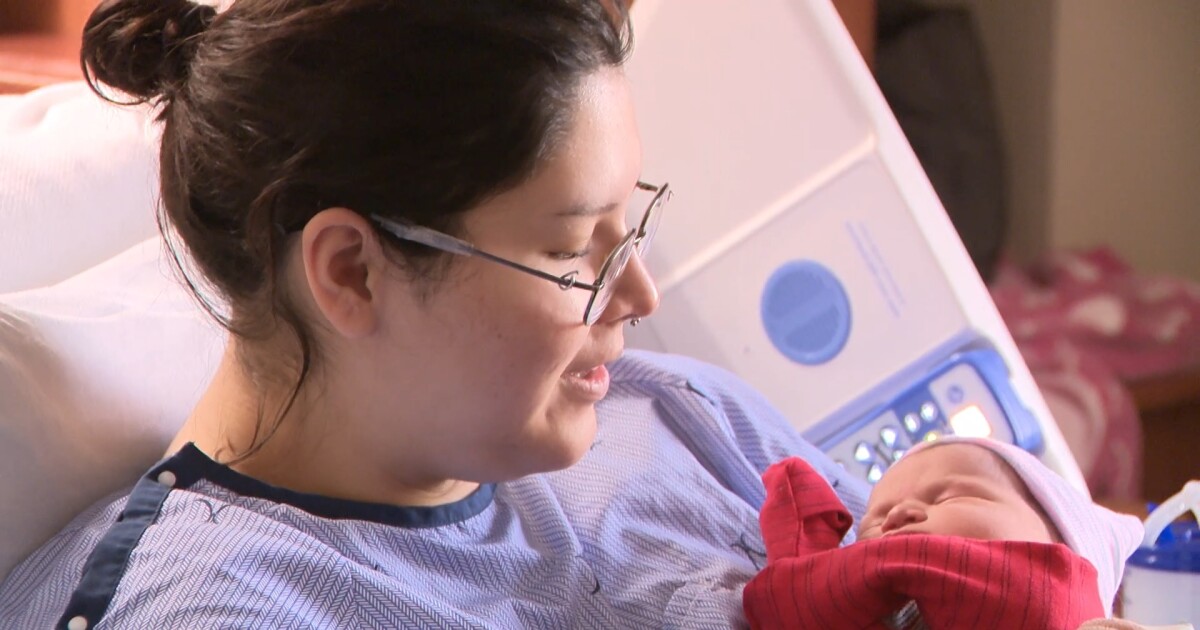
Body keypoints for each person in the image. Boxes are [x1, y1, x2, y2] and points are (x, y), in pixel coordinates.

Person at [0, 0, 873, 628]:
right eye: (572, 251)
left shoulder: (686, 420)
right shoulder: (225, 606)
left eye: (629, 221)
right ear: (353, 273)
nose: (641, 296)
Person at [743, 436, 1144, 630]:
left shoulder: (1076, 615)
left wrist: (808, 576)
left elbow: (1037, 597)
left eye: (952, 496)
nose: (898, 513)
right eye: (875, 518)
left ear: (1062, 541)